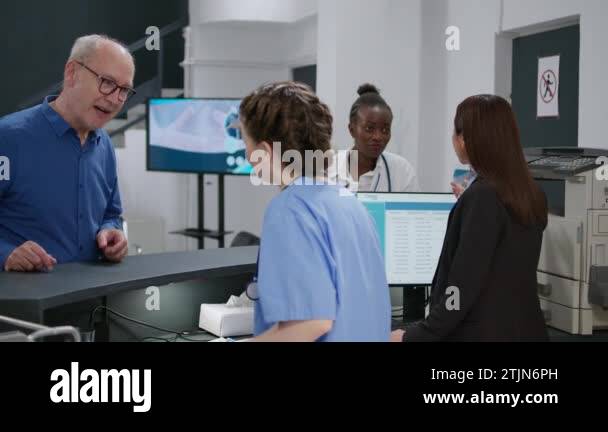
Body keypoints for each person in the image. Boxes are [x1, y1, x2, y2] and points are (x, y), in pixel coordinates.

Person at [239, 81, 391, 342]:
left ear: (264, 151)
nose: (246, 153)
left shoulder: (290, 210)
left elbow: (309, 324)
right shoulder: (350, 202)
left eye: (246, 143)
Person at [392, 94, 549, 342]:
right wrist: (470, 204)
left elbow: (459, 291)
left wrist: (414, 336)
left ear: (466, 139)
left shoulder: (483, 198)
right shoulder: (531, 193)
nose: (453, 139)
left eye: (456, 132)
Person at [0, 35, 134, 272]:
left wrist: (113, 232)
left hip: (92, 302)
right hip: (21, 305)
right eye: (107, 82)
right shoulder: (8, 138)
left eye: (124, 90)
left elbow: (111, 214)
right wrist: (6, 253)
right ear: (72, 73)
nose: (115, 99)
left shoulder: (105, 146)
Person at [334, 83, 419, 193]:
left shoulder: (401, 171)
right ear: (352, 130)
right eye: (369, 128)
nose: (378, 137)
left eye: (385, 130)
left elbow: (412, 210)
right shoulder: (328, 168)